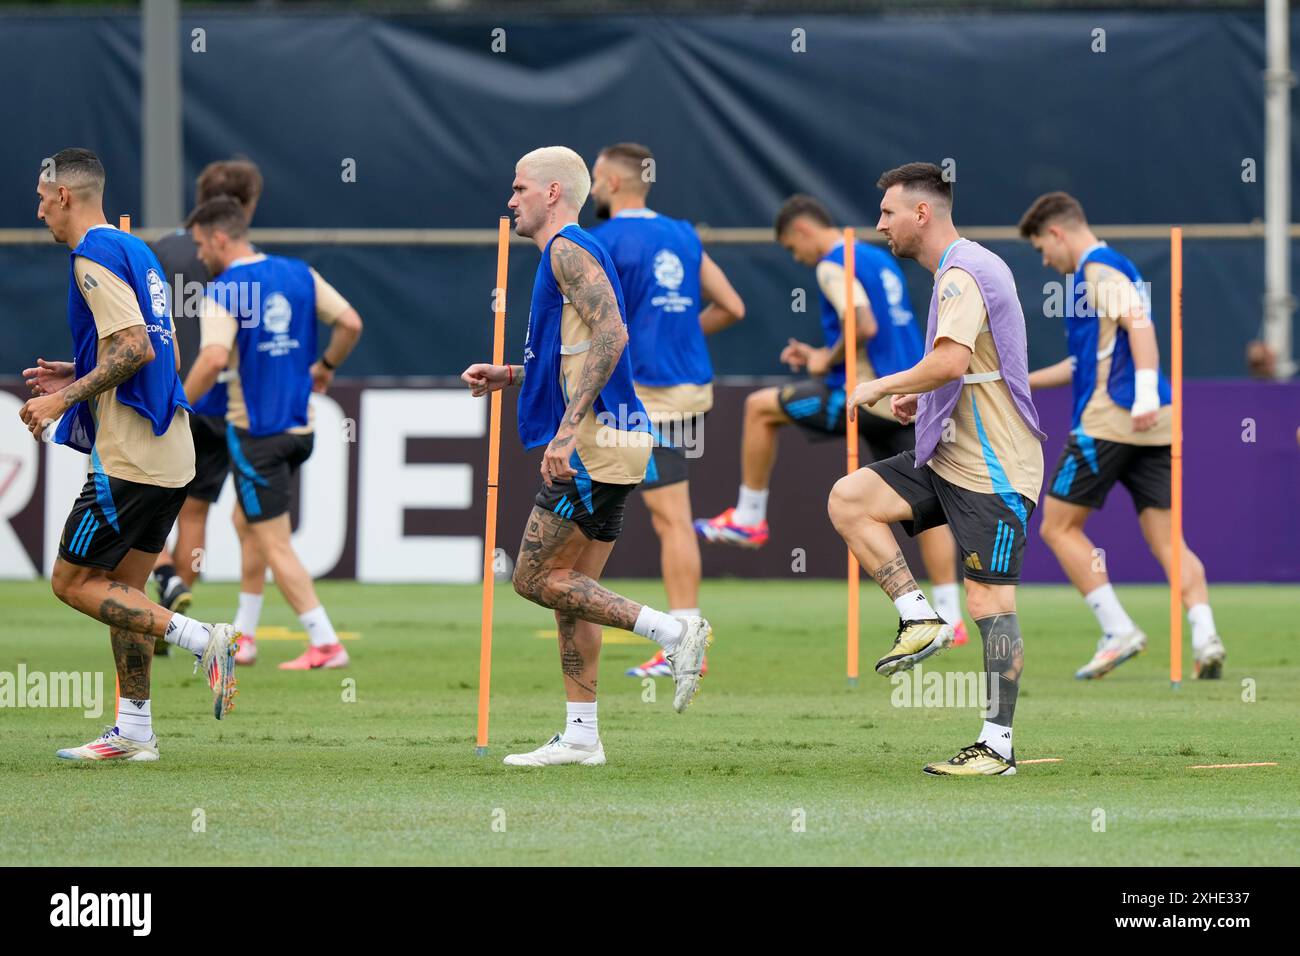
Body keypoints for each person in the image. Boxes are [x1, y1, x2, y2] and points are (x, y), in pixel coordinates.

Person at [460, 146, 712, 767]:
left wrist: (567, 431)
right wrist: (511, 375)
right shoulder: (573, 250)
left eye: (519, 188)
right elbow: (576, 352)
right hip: (617, 439)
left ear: (552, 193)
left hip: (597, 443)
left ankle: (673, 631)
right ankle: (581, 737)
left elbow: (612, 334)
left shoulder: (567, 249)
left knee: (532, 579)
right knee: (572, 592)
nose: (510, 200)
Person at [827, 163, 1045, 776]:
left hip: (994, 469)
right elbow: (967, 366)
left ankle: (997, 746)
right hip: (950, 456)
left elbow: (950, 362)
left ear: (921, 213)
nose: (880, 225)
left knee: (990, 601)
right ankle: (919, 616)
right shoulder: (961, 268)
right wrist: (919, 400)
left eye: (888, 212)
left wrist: (880, 384)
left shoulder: (961, 272)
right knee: (850, 500)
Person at [20, 148, 238, 761]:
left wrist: (61, 398)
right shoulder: (134, 248)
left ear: (64, 195)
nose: (39, 212)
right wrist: (79, 368)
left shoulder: (93, 253)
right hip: (172, 448)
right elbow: (154, 348)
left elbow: (136, 347)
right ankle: (135, 731)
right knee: (124, 592)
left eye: (42, 199)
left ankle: (202, 638)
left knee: (71, 582)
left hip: (131, 453)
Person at [695, 194, 967, 643]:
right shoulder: (877, 258)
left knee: (760, 407)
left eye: (792, 248)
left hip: (867, 397)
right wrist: (822, 354)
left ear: (803, 231)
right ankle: (951, 616)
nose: (797, 258)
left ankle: (749, 516)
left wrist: (824, 359)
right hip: (907, 397)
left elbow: (863, 324)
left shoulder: (831, 263)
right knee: (923, 507)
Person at [1018, 191, 1226, 679]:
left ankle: (1118, 630)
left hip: (1112, 418)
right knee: (1167, 539)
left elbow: (1140, 325)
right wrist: (1021, 382)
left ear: (1056, 233)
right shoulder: (1114, 269)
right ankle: (1206, 635)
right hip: (1154, 423)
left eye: (1042, 249)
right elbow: (1084, 362)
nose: (1045, 261)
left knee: (1057, 527)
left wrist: (1146, 392)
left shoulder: (1097, 269)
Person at [182, 195, 362, 670]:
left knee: (273, 539)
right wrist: (325, 366)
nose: (199, 254)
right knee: (247, 524)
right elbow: (350, 323)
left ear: (220, 238)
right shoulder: (299, 273)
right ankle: (245, 635)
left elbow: (213, 360)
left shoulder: (224, 291)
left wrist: (175, 409)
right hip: (300, 430)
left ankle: (325, 642)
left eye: (200, 244)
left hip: (256, 435)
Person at [588, 142, 746, 678]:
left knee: (666, 518)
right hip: (688, 392)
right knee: (666, 517)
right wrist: (681, 334)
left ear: (612, 182)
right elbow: (732, 306)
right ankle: (679, 638)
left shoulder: (603, 240)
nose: (592, 188)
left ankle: (685, 645)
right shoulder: (683, 234)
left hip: (642, 398)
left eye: (595, 178)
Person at [147, 159, 267, 664]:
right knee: (196, 511)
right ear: (245, 208)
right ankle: (173, 615)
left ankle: (165, 580)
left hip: (167, 394)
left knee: (140, 500)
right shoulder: (249, 266)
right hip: (224, 404)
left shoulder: (159, 251)